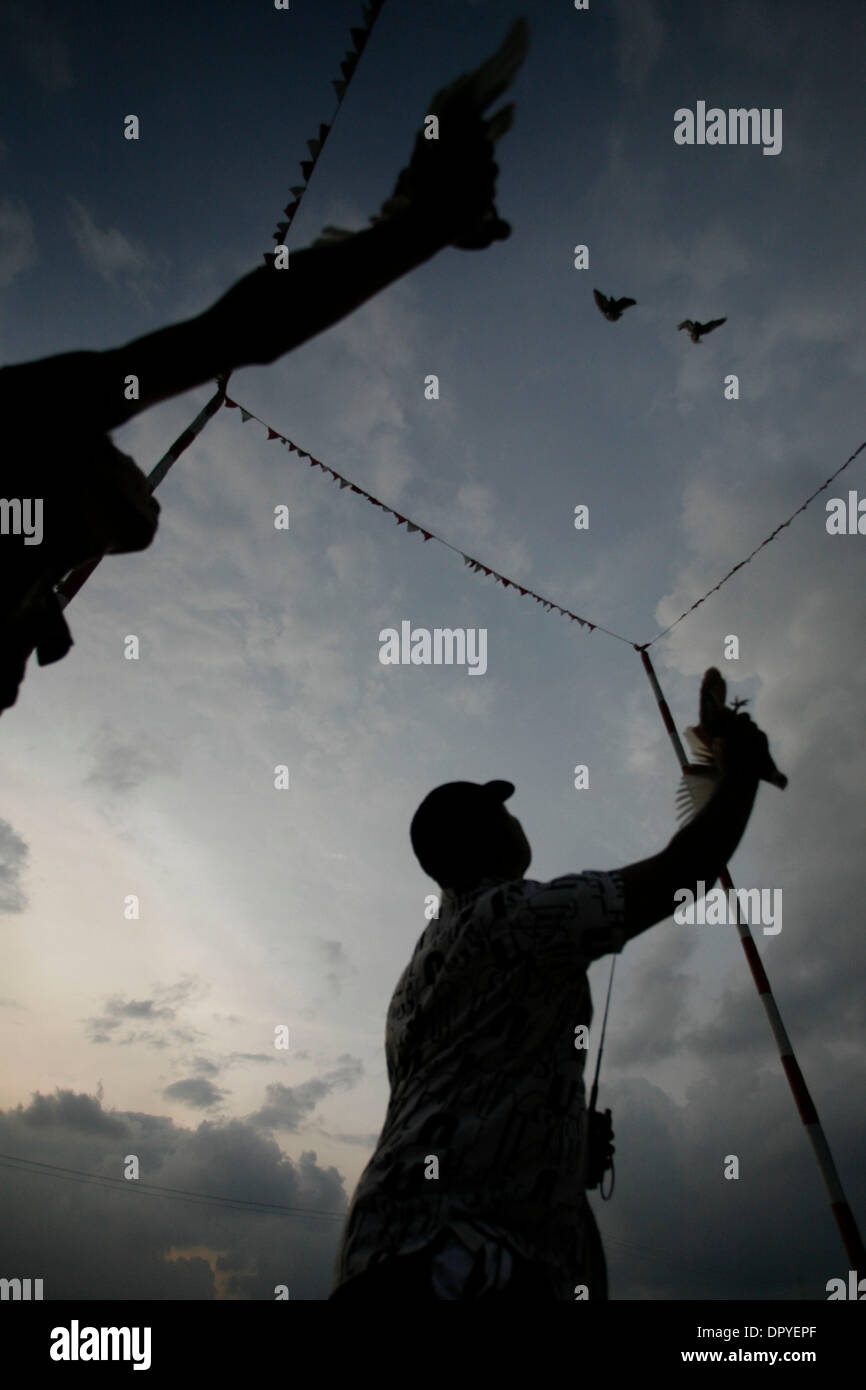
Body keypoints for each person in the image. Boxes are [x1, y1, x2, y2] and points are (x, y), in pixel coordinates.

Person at [0, 19, 530, 713]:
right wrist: (416, 230)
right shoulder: (28, 477)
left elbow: (230, 339)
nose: (31, 664)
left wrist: (416, 231)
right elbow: (230, 341)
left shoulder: (24, 435)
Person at [329, 709, 771, 1300]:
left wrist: (551, 1143)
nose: (515, 817)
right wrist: (741, 771)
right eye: (503, 810)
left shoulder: (414, 979)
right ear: (481, 835)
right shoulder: (513, 915)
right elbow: (684, 872)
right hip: (459, 1261)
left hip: (381, 1254)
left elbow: (456, 1096)